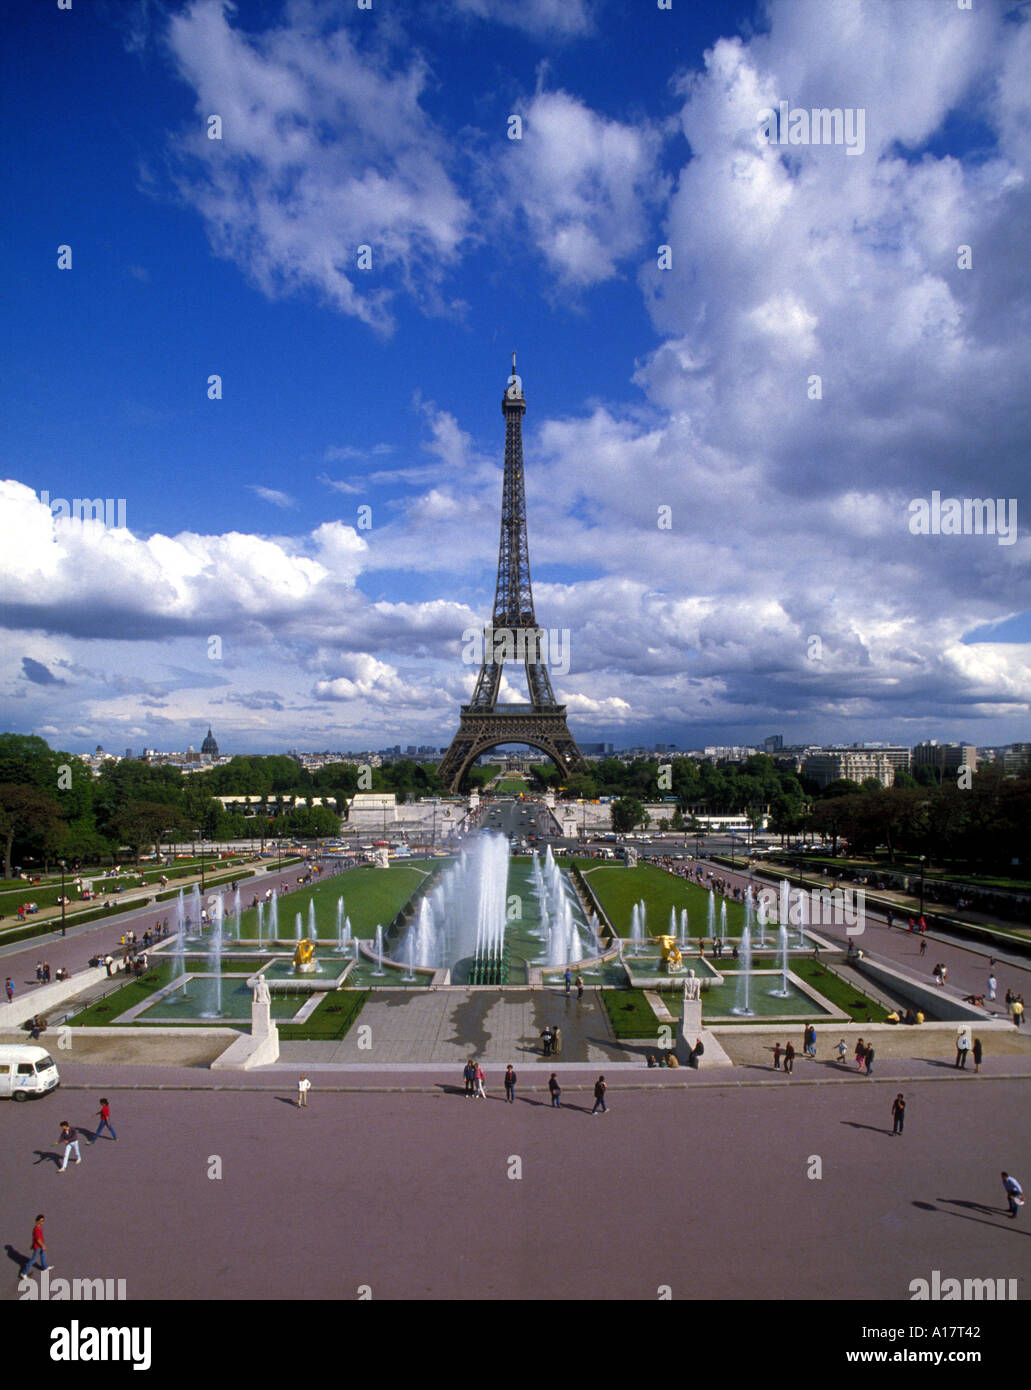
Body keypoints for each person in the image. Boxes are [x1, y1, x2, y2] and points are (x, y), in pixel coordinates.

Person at [19, 1215, 49, 1280]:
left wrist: (32, 1244)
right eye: (41, 1221)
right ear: (37, 1220)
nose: (42, 1222)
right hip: (38, 1246)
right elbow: (38, 1239)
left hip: (39, 1245)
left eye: (43, 1221)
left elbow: (34, 1238)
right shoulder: (37, 1229)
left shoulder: (38, 1227)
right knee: (33, 1260)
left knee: (43, 1254)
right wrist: (43, 1246)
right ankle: (23, 1273)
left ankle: (44, 1267)